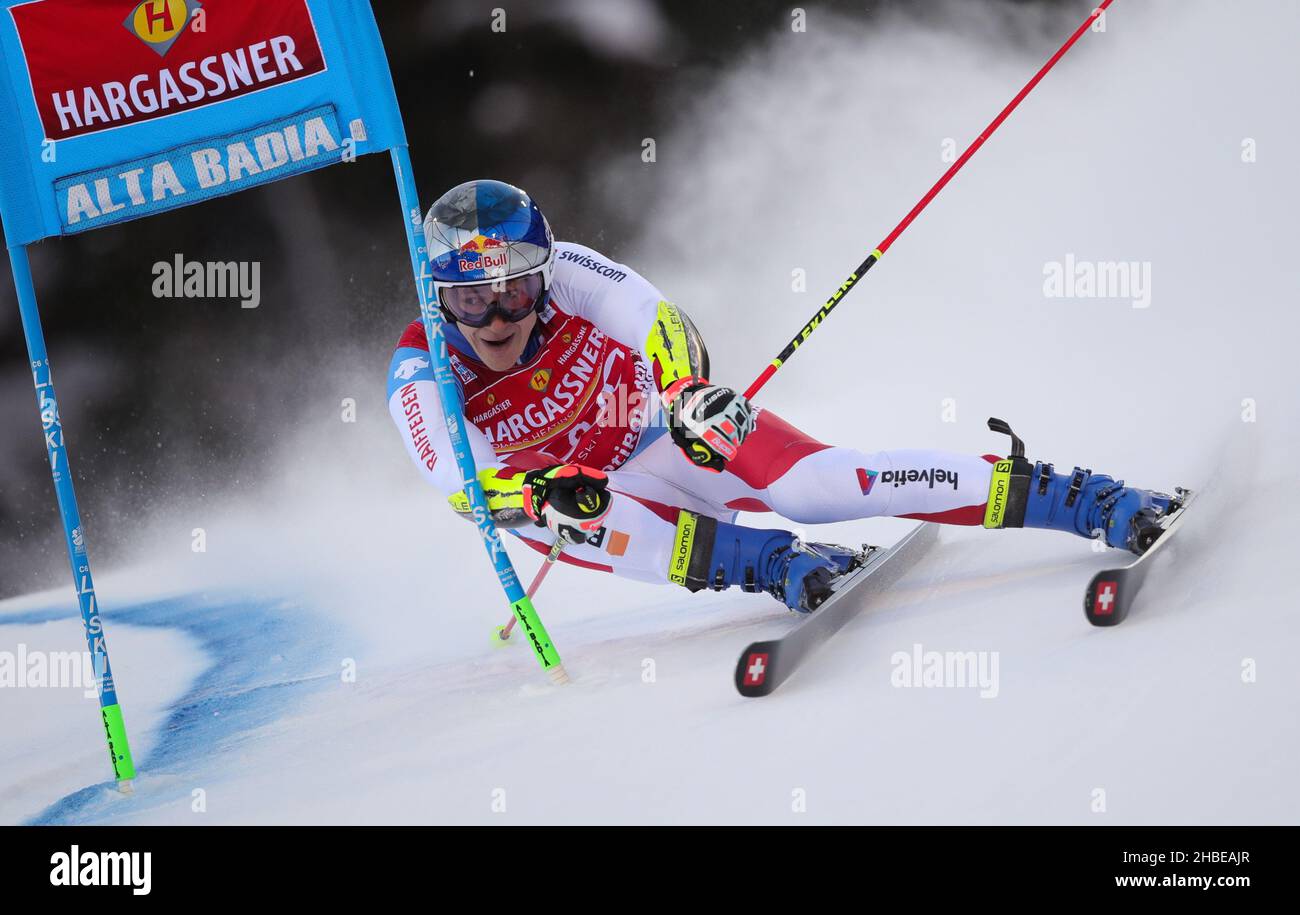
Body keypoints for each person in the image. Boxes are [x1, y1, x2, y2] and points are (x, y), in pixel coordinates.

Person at [387, 180, 1177, 612]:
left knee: (816, 485)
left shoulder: (571, 271)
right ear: (439, 297)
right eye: (470, 302)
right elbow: (459, 487)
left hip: (655, 430)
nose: (496, 319)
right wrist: (530, 488)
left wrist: (687, 392)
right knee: (566, 512)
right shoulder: (422, 368)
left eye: (516, 294)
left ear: (542, 274)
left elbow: (656, 317)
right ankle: (768, 564)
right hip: (587, 491)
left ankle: (1076, 496)